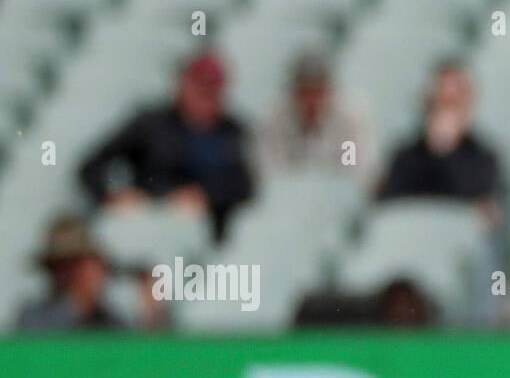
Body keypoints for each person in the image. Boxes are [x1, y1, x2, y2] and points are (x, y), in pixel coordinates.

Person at [78, 51, 254, 240]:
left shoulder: (234, 132)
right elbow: (92, 165)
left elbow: (244, 184)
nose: (205, 95)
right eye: (199, 85)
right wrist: (114, 194)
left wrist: (206, 194)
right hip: (146, 224)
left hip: (206, 237)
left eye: (212, 89)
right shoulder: (150, 124)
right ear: (183, 84)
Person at [376, 61, 500, 222]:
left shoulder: (484, 158)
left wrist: (445, 150)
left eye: (454, 102)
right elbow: (392, 206)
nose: (446, 112)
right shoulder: (404, 156)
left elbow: (475, 206)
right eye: (441, 101)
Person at [256, 52, 377, 184]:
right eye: (304, 92)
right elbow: (269, 169)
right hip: (291, 195)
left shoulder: (351, 116)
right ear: (293, 93)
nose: (311, 101)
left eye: (317, 92)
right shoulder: (274, 116)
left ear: (329, 90)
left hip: (338, 195)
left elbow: (355, 165)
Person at [18, 216, 125, 330]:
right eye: (66, 265)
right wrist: (76, 305)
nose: (85, 273)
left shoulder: (113, 320)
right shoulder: (33, 317)